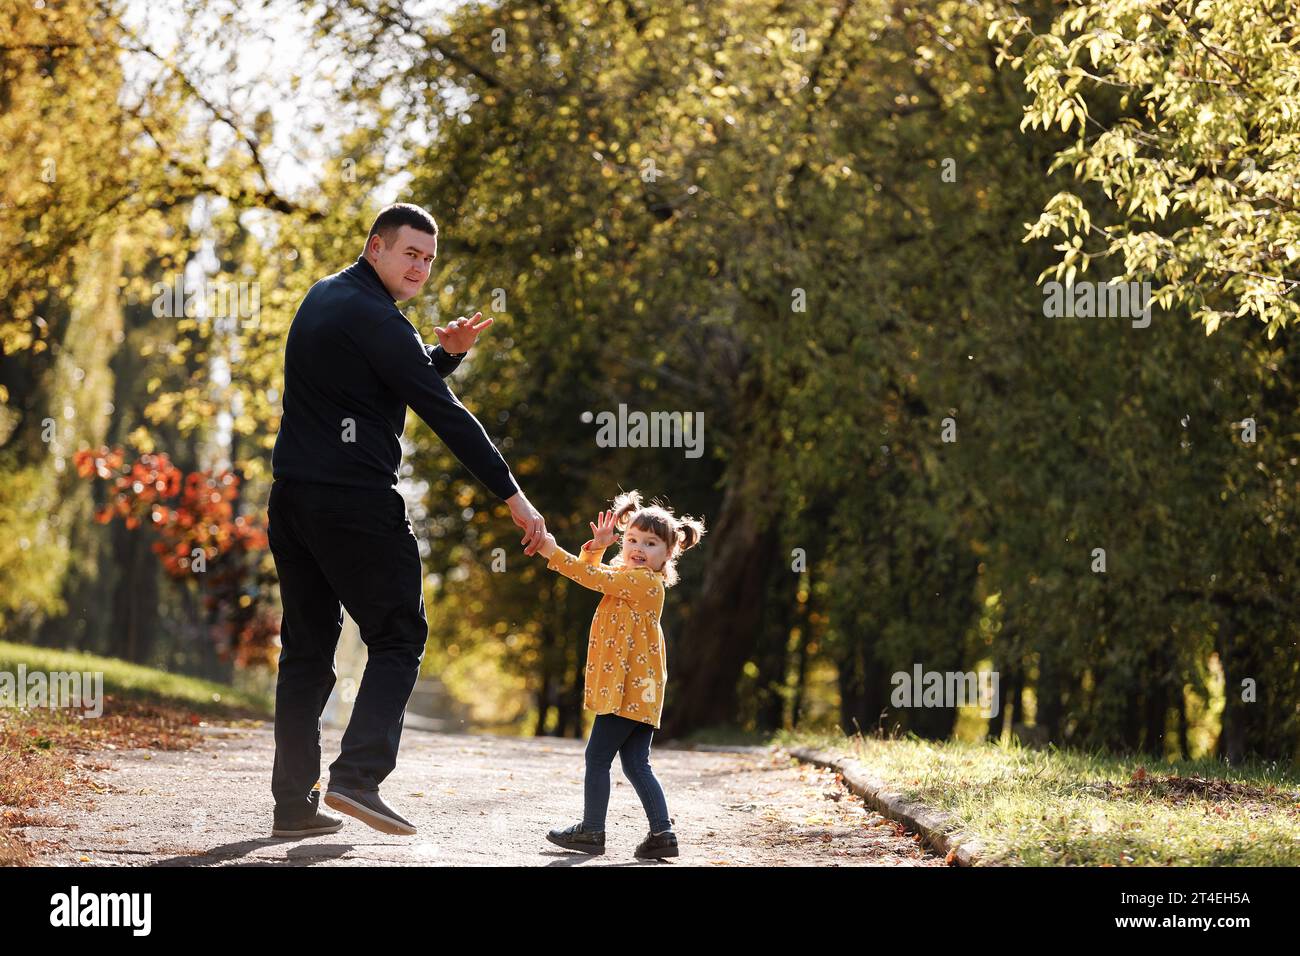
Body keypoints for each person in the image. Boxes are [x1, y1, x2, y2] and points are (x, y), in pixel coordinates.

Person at [267, 202, 546, 838]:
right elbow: (446, 416)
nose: (419, 267)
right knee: (399, 635)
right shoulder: (377, 318)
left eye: (428, 258)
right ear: (376, 247)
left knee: (306, 654)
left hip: (294, 501)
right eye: (409, 253)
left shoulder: (327, 298)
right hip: (356, 505)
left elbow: (384, 379)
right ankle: (358, 777)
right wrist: (515, 498)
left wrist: (441, 355)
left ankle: (293, 807)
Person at [535, 490, 705, 859]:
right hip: (641, 690)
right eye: (631, 540)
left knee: (597, 757)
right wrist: (596, 546)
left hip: (626, 688)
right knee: (635, 763)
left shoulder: (641, 582)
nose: (638, 547)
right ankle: (663, 833)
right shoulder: (629, 577)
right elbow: (594, 571)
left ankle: (592, 831)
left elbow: (585, 575)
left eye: (650, 543)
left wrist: (550, 548)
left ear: (669, 553)